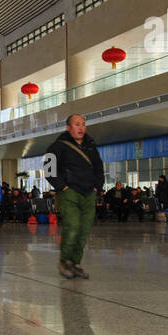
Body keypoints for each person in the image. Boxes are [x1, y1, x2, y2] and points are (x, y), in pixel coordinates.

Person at [46, 113, 104, 279]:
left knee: (83, 230)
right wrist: (62, 187)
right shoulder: (57, 146)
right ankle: (65, 262)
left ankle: (76, 263)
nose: (81, 128)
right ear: (68, 128)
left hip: (88, 193)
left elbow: (99, 168)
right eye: (77, 124)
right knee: (72, 226)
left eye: (83, 124)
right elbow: (49, 170)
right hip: (69, 192)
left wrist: (96, 187)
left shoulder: (91, 146)